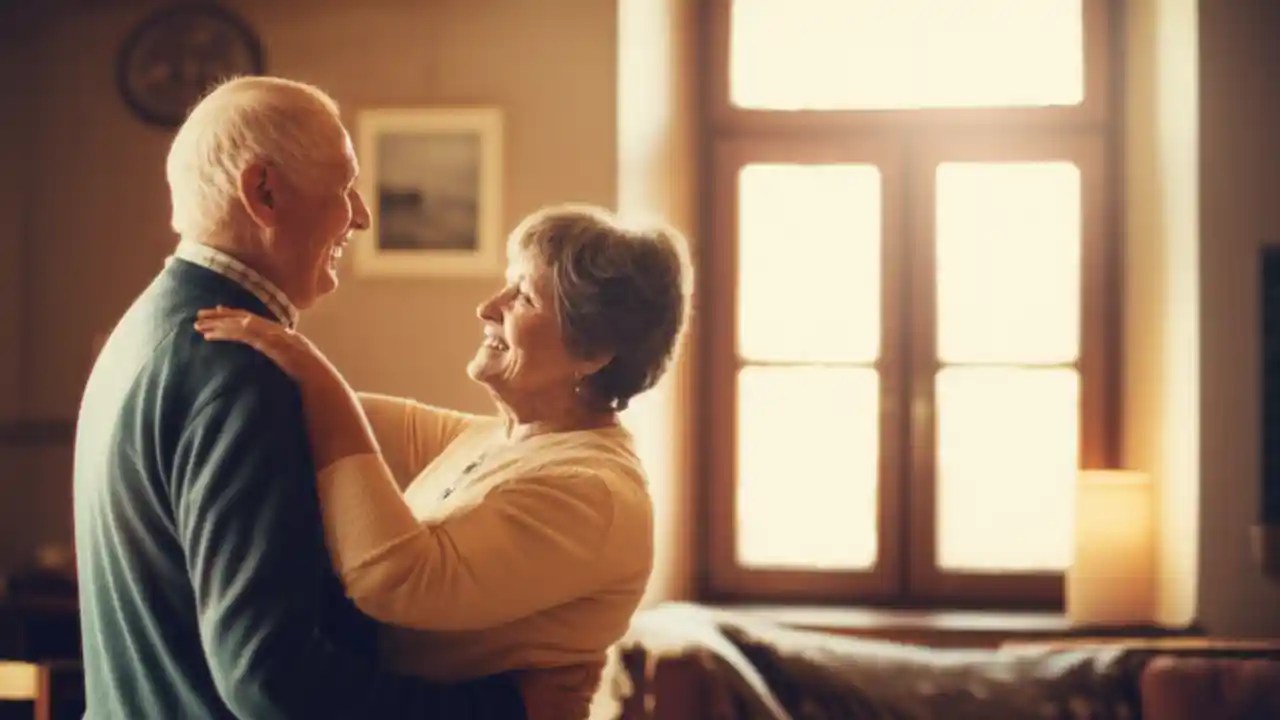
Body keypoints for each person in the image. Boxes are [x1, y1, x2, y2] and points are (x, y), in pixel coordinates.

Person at [73, 76, 529, 719]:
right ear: (264, 191)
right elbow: (269, 680)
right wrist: (501, 711)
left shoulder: (144, 328)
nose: (362, 215)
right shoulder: (242, 371)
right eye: (344, 184)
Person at [193, 203, 694, 718]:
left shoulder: (593, 492)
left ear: (594, 352)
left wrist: (313, 374)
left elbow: (392, 579)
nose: (488, 307)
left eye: (522, 297)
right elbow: (330, 416)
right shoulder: (503, 440)